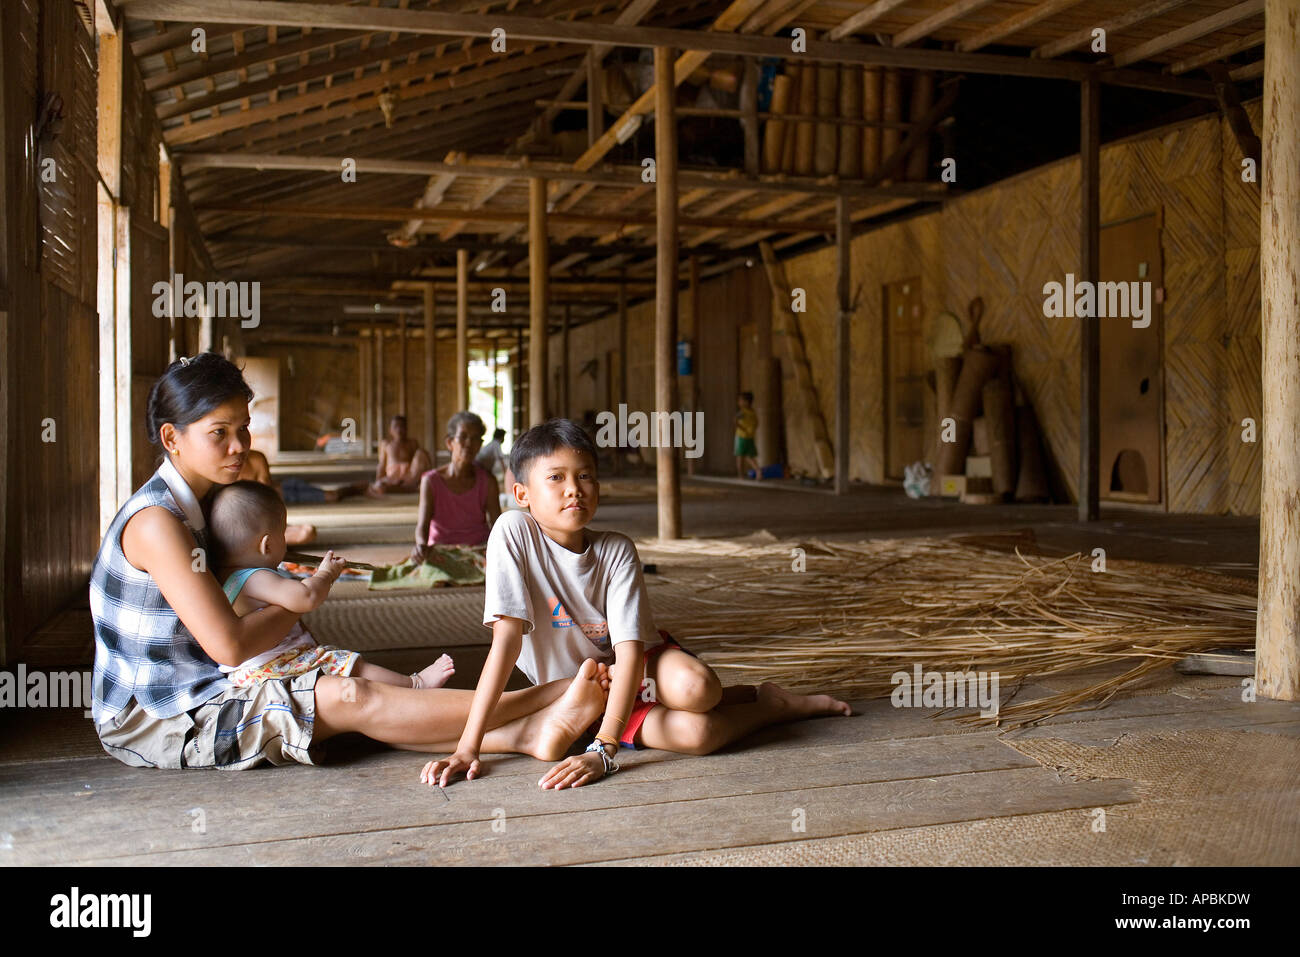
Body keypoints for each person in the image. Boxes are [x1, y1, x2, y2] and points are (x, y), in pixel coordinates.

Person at [90, 353, 615, 771]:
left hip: (209, 683)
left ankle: (526, 737)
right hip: (162, 716)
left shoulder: (202, 504)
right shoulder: (158, 522)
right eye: (219, 433)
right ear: (171, 438)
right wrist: (305, 600)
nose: (238, 446)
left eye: (243, 428)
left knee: (346, 685)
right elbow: (227, 642)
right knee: (344, 693)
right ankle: (555, 693)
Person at [420, 418, 850, 790]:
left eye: (585, 476)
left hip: (638, 665)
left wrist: (604, 751)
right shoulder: (513, 532)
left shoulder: (617, 550)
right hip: (584, 692)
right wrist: (466, 748)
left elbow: (629, 652)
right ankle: (768, 707)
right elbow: (507, 644)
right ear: (522, 493)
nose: (574, 490)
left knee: (698, 690)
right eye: (555, 477)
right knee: (698, 733)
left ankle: (751, 695)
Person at [208, 480, 454, 689]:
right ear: (267, 545)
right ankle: (415, 684)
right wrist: (325, 575)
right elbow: (305, 597)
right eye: (283, 535)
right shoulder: (253, 577)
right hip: (271, 666)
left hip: (250, 672)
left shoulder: (224, 578)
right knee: (349, 664)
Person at [410, 411, 501, 561]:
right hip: (441, 550)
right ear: (450, 443)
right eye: (463, 436)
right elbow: (423, 525)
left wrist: (497, 550)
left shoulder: (488, 482)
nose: (469, 443)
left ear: (480, 445)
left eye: (475, 439)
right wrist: (420, 545)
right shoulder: (431, 481)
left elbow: (498, 526)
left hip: (478, 550)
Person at [237, 448, 321, 545]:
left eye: (242, 431)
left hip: (261, 522)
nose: (238, 445)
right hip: (240, 531)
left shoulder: (256, 459)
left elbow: (266, 500)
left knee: (307, 532)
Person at [367, 415, 433, 496]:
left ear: (406, 429)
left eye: (402, 427)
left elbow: (417, 464)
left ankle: (408, 486)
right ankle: (407, 489)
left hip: (409, 477)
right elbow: (382, 464)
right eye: (395, 427)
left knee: (422, 453)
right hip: (392, 478)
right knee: (380, 486)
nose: (399, 430)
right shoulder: (386, 444)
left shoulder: (412, 443)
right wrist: (378, 480)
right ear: (390, 430)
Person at [735, 391, 761, 480]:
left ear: (746, 402)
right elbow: (757, 423)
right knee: (748, 456)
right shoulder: (752, 412)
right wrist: (748, 430)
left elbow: (734, 420)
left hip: (742, 436)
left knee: (740, 456)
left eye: (740, 401)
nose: (739, 402)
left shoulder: (743, 412)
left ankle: (741, 475)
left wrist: (743, 429)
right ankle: (757, 471)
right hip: (748, 436)